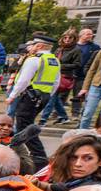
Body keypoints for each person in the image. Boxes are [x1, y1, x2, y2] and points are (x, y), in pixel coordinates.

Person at [5, 34, 61, 165]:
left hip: (31, 95)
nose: (32, 47)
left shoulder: (35, 59)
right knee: (26, 124)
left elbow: (23, 80)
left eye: (34, 45)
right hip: (43, 96)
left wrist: (12, 96)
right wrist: (47, 95)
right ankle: (18, 151)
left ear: (40, 46)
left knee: (24, 126)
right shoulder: (54, 60)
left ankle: (38, 155)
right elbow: (56, 82)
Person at [33, 133, 101, 191]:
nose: (78, 164)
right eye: (73, 158)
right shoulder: (76, 181)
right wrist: (37, 183)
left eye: (88, 158)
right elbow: (54, 188)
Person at [37, 28, 80, 126]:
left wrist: (60, 65)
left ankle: (43, 119)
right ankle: (63, 117)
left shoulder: (76, 50)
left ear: (74, 39)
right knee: (55, 98)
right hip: (54, 74)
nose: (67, 40)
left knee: (51, 97)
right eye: (65, 37)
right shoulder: (59, 49)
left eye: (70, 38)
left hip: (65, 76)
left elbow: (77, 64)